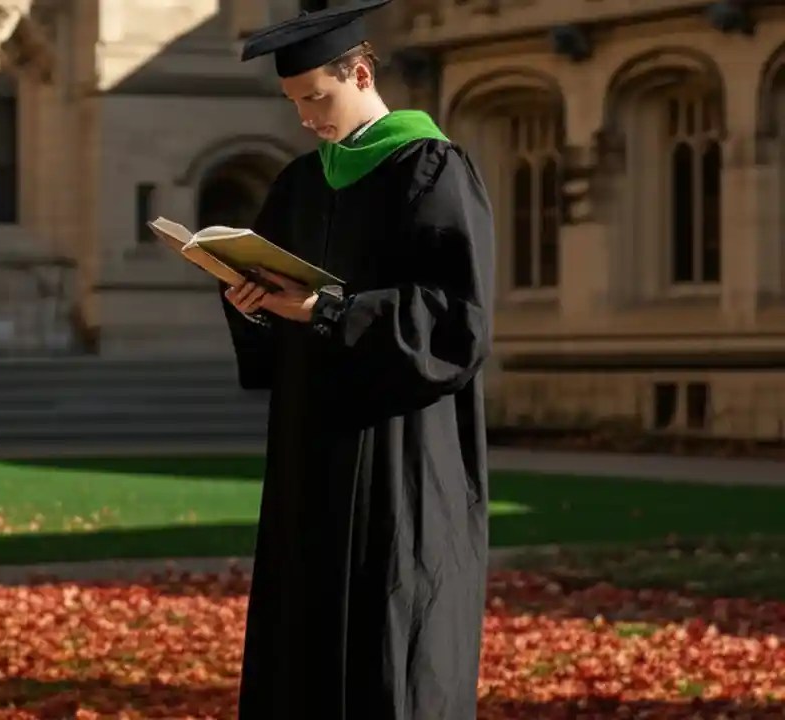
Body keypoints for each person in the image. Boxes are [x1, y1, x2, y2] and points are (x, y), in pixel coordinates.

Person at [220, 1, 496, 718]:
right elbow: (273, 331)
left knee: (392, 642)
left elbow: (456, 321)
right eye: (294, 103)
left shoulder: (433, 171)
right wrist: (250, 300)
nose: (307, 118)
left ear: (362, 72)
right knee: (303, 647)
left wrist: (331, 310)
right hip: (311, 451)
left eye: (317, 97)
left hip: (401, 453)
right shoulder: (299, 186)